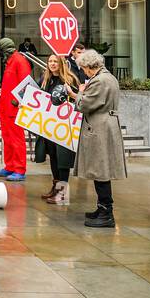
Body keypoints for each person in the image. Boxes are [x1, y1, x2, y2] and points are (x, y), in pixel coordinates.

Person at [74, 49, 126, 228]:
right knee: (100, 169)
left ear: (90, 66)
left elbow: (84, 104)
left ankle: (106, 212)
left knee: (101, 170)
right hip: (105, 125)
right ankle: (102, 208)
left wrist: (80, 92)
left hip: (100, 128)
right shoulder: (108, 77)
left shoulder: (99, 81)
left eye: (84, 68)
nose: (83, 72)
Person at [36, 54, 80, 205]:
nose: (52, 64)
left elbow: (77, 100)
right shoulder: (44, 79)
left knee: (63, 160)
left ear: (61, 63)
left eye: (55, 61)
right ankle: (55, 188)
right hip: (49, 126)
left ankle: (63, 193)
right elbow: (36, 97)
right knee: (53, 157)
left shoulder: (70, 80)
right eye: (50, 61)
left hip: (64, 127)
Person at [0, 37, 32, 181]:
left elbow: (27, 84)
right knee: (7, 138)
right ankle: (10, 166)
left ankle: (19, 169)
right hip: (5, 107)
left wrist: (18, 102)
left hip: (14, 108)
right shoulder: (10, 62)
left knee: (16, 139)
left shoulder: (19, 61)